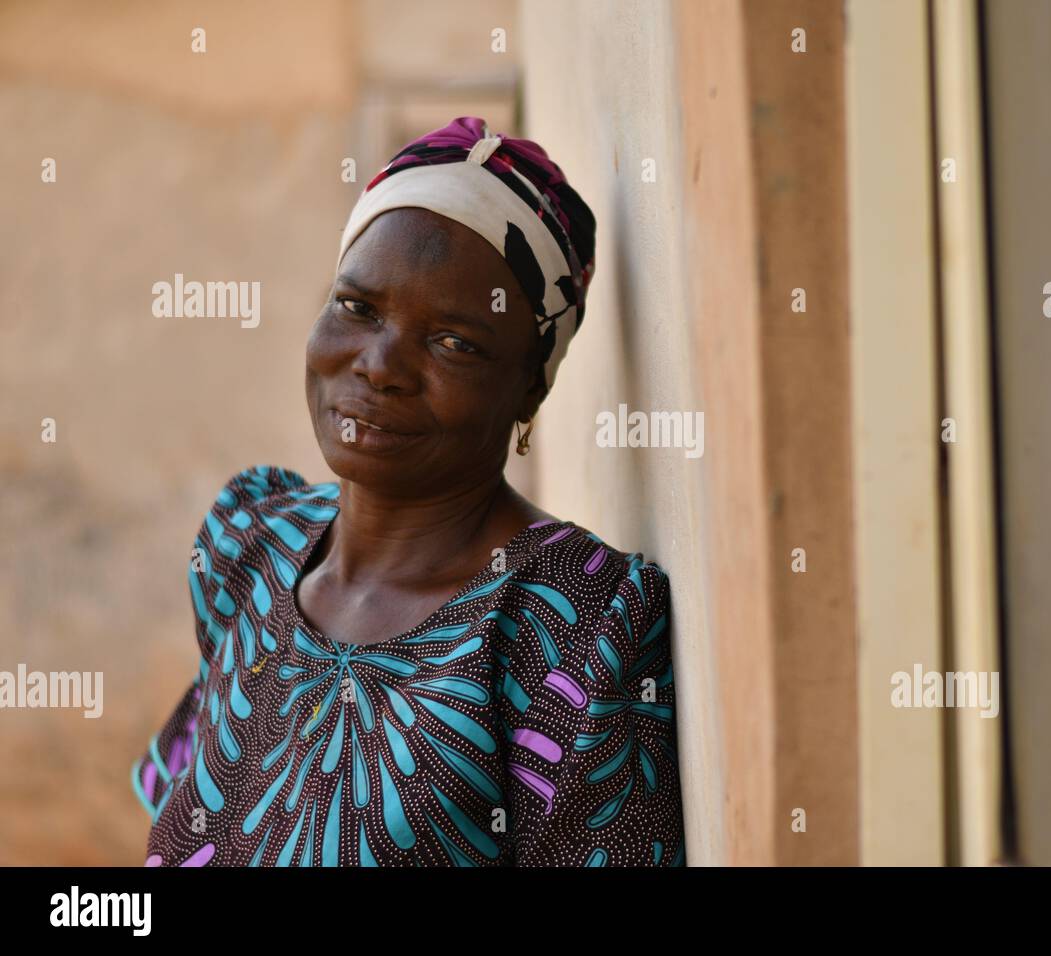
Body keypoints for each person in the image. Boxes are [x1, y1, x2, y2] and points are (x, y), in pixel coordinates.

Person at [129, 117, 686, 867]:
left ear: (528, 387)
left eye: (454, 342)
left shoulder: (571, 629)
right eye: (357, 307)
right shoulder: (251, 547)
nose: (381, 365)